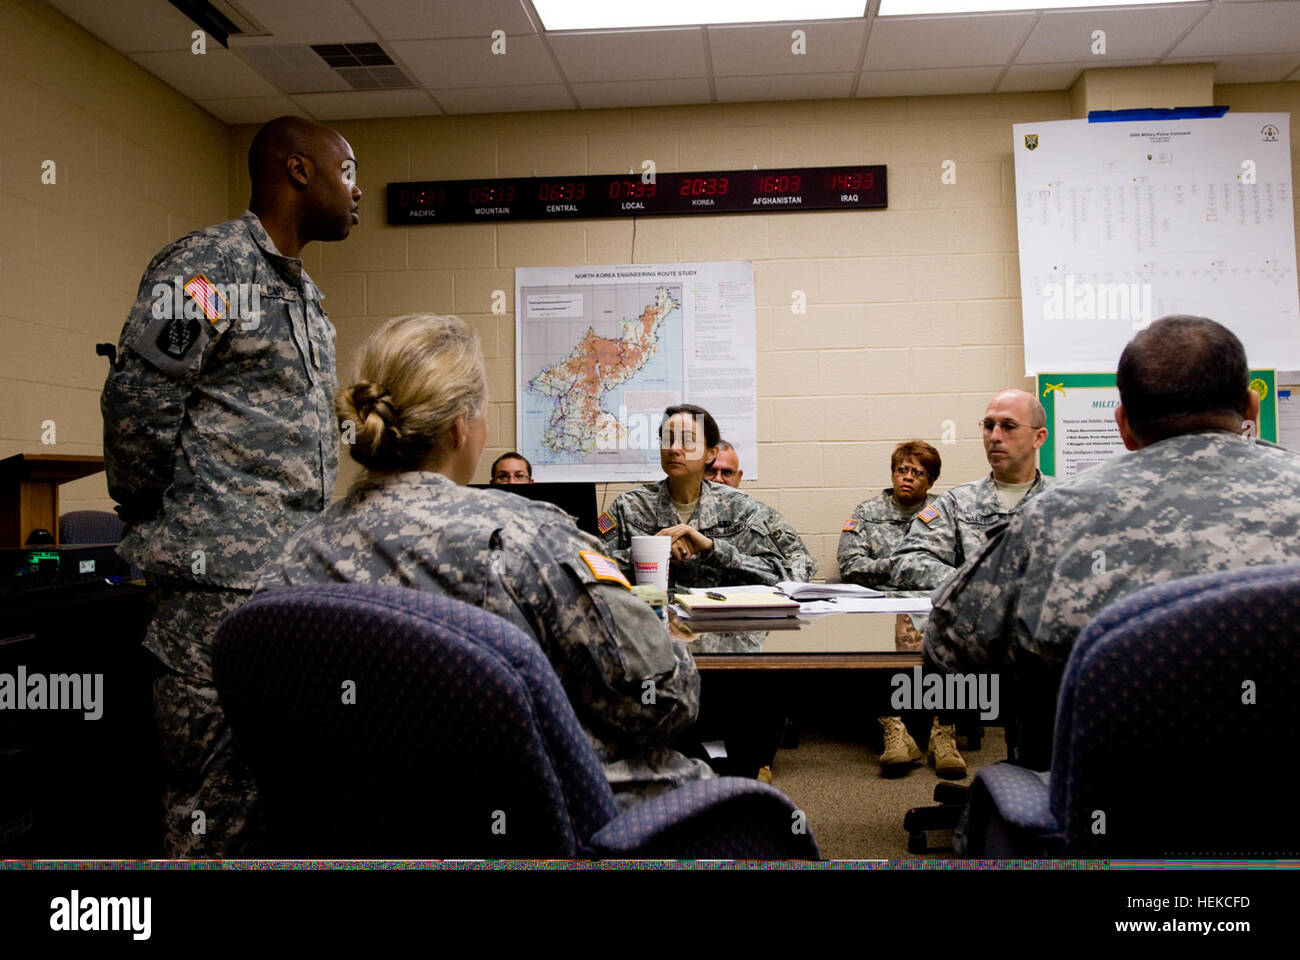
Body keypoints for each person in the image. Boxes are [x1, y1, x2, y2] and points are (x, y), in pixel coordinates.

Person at [259, 314, 711, 809]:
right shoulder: (530, 535)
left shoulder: (294, 556)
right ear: (461, 426)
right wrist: (671, 642)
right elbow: (662, 701)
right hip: (549, 822)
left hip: (354, 824)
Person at [100, 116, 361, 857]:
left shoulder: (303, 293)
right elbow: (140, 399)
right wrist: (169, 515)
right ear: (298, 171)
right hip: (210, 591)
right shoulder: (210, 271)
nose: (357, 192)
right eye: (346, 172)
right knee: (210, 800)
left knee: (276, 792)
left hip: (285, 583)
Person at [927, 315, 1300, 769]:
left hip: (1102, 813)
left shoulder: (1052, 516)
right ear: (1251, 408)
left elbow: (947, 650)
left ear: (1123, 424)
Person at [888, 390, 1055, 777]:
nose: (994, 436)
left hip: (1045, 651)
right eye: (988, 426)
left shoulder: (1064, 501)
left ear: (1038, 437)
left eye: (1008, 426)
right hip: (971, 651)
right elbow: (907, 561)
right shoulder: (957, 503)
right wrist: (981, 586)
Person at [598, 404, 798, 588]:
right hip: (651, 622)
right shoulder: (629, 506)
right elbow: (589, 566)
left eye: (687, 440)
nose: (674, 449)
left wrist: (714, 549)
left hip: (725, 624)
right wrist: (647, 554)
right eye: (668, 439)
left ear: (711, 454)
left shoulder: (741, 508)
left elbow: (795, 573)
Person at [836, 441, 942, 775]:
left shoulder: (945, 513)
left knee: (954, 643)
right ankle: (893, 729)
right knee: (867, 646)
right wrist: (910, 568)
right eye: (902, 470)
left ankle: (944, 730)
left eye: (918, 473)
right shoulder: (867, 512)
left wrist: (889, 568)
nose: (907, 478)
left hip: (932, 602)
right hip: (879, 604)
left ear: (930, 481)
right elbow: (850, 564)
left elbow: (960, 562)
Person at [706, 440, 817, 581]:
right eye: (711, 471)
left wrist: (789, 582)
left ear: (738, 477)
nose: (718, 479)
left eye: (727, 473)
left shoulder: (760, 515)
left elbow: (801, 559)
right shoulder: (685, 513)